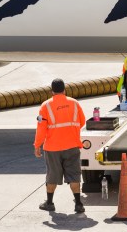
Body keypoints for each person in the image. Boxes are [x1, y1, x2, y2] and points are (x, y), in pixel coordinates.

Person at [34, 78, 86, 213]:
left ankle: (50, 203)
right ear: (64, 90)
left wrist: (37, 145)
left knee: (52, 175)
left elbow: (41, 128)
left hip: (53, 148)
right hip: (72, 145)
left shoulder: (45, 106)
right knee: (74, 175)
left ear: (52, 91)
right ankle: (78, 204)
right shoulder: (74, 103)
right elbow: (82, 121)